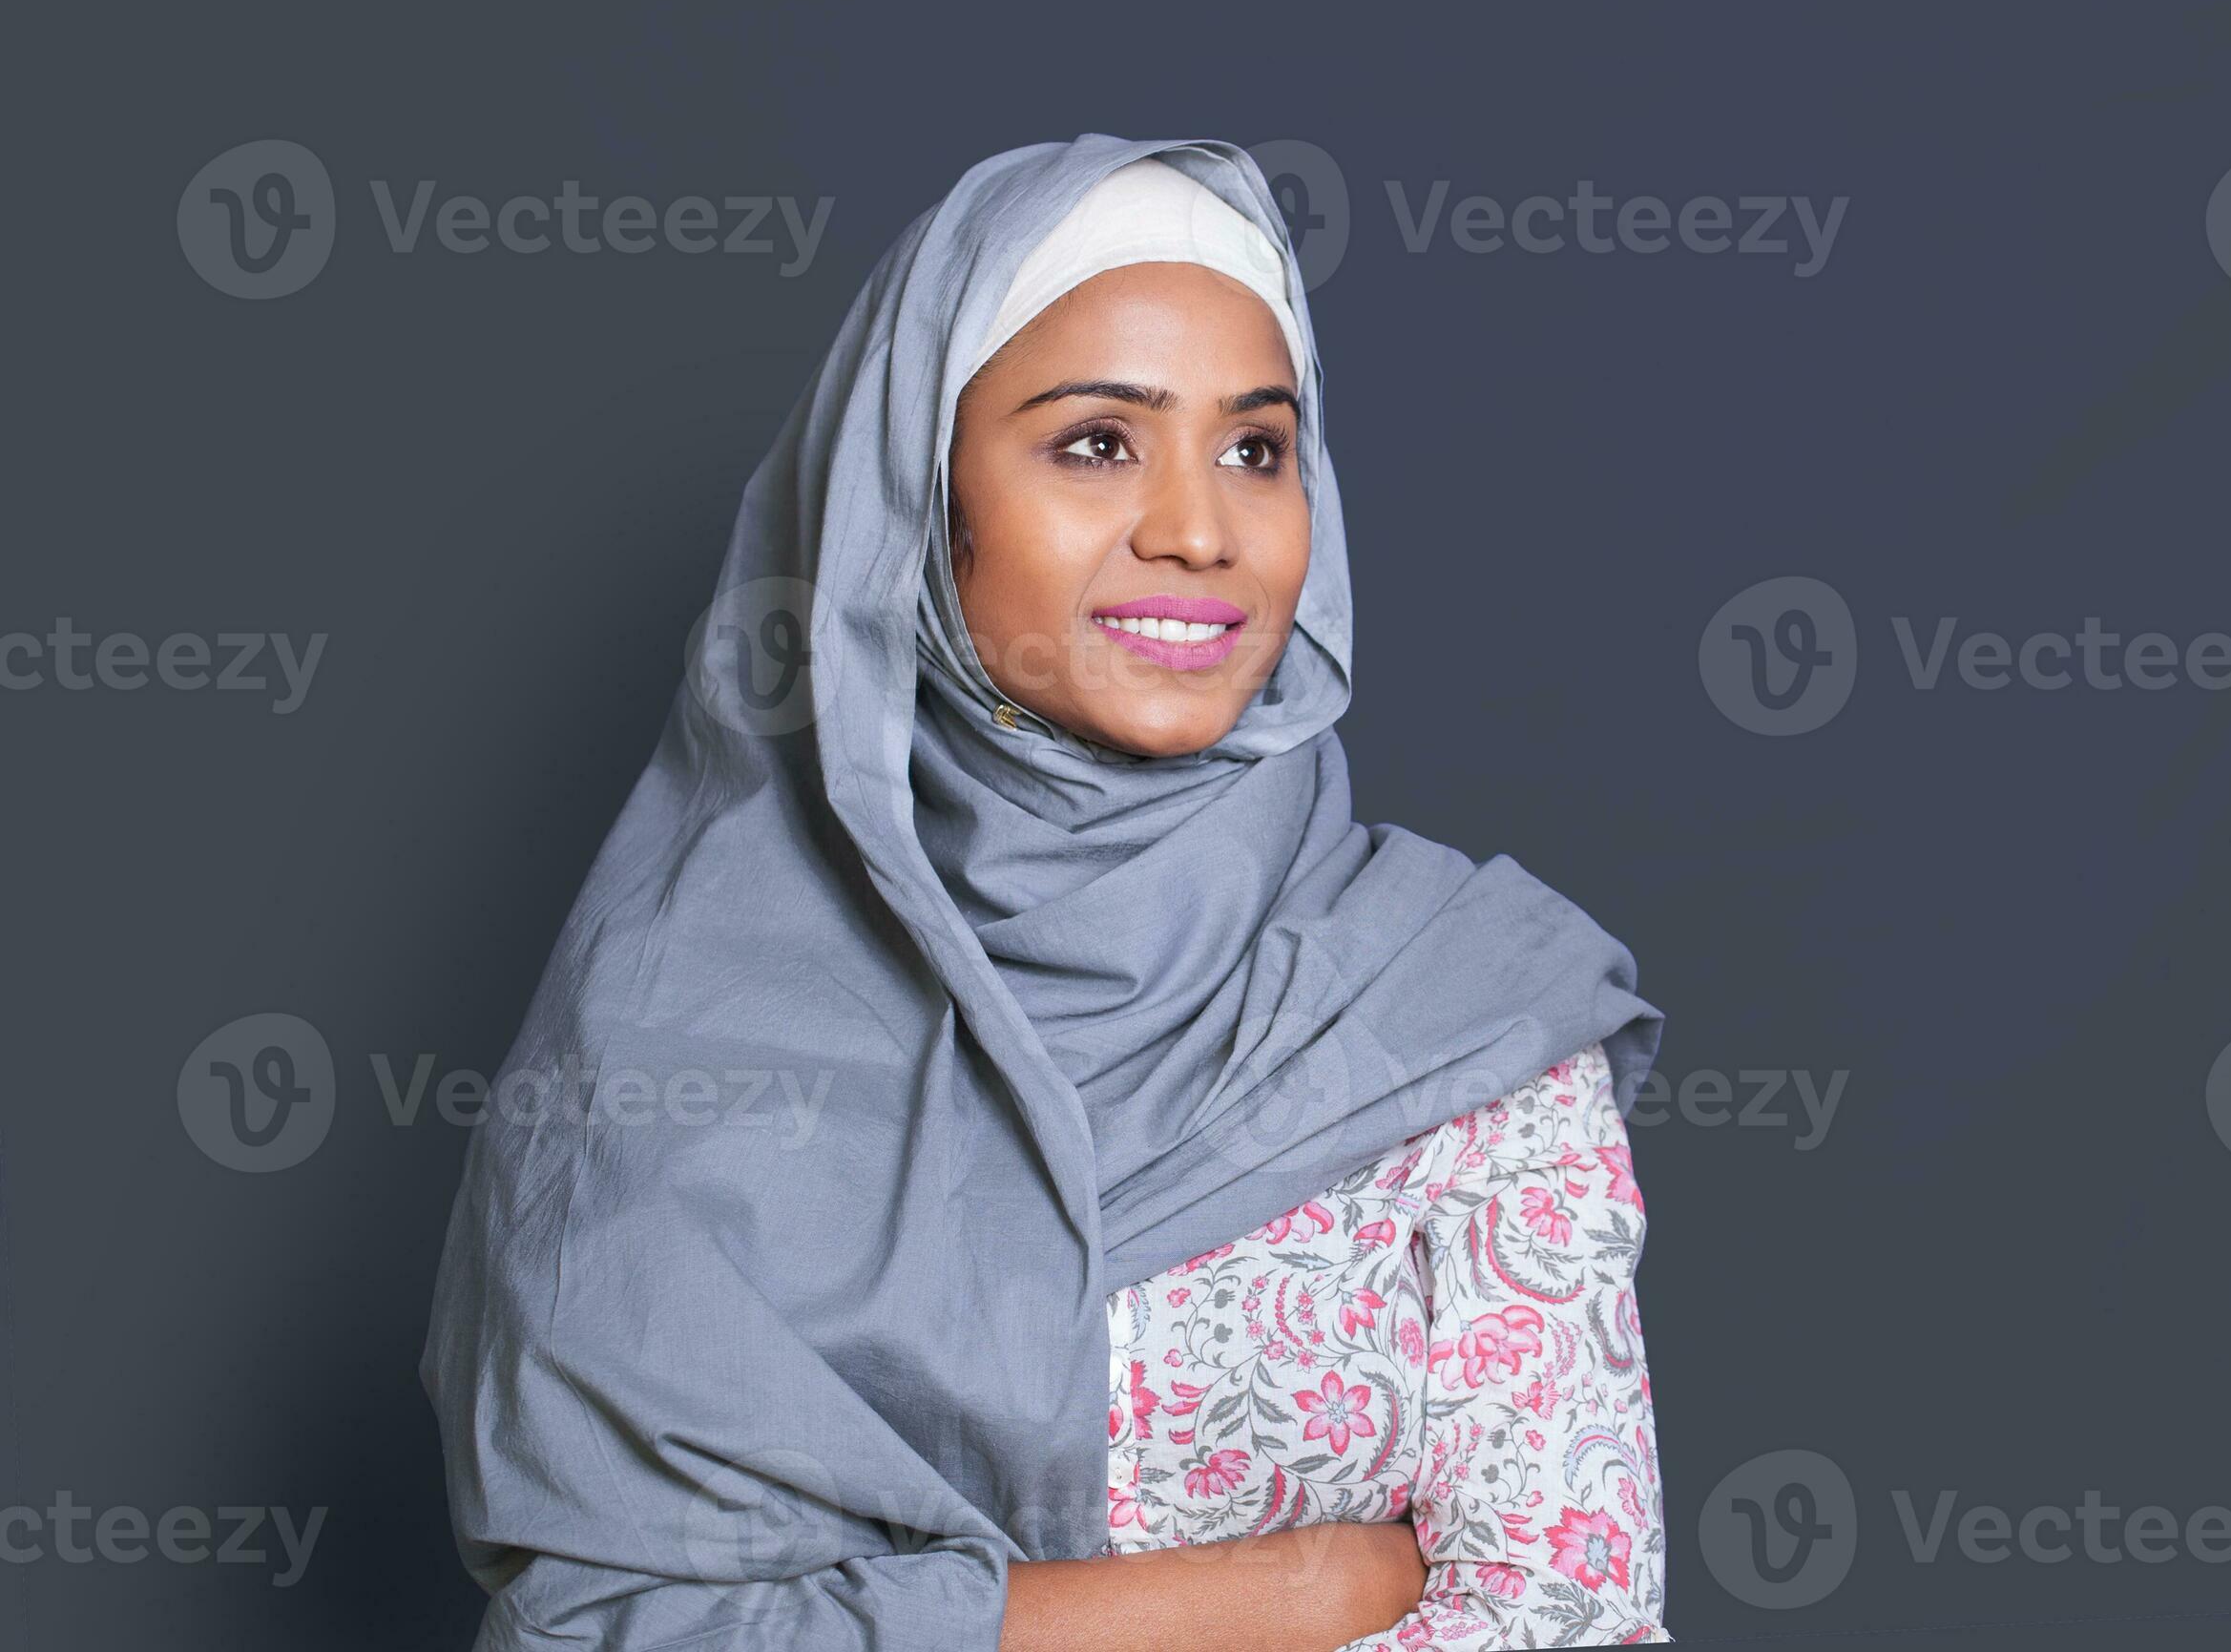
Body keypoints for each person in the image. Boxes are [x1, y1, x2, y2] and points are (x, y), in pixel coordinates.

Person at [422, 136, 1669, 1650]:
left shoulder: (1458, 1008)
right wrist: (1290, 1591)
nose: (1198, 529)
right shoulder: (665, 1039)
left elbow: (1561, 1616)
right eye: (1096, 442)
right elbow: (602, 1632)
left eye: (1256, 448)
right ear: (918, 502)